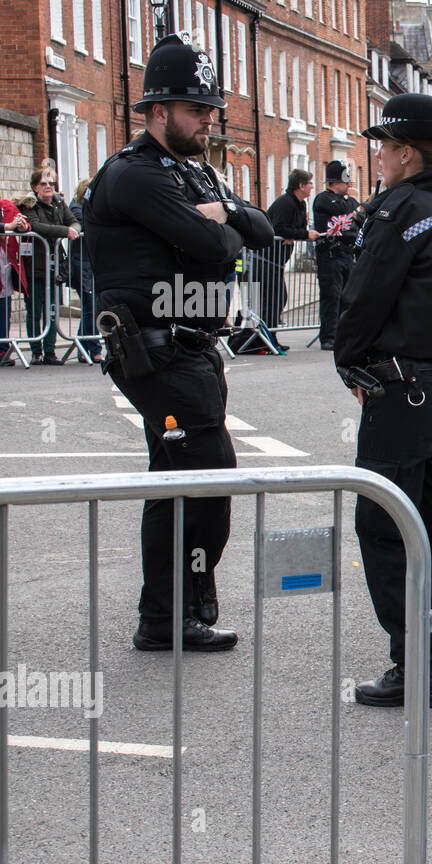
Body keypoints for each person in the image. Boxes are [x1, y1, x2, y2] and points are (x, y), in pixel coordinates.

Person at [84, 33, 273, 651]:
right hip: (155, 350)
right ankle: (181, 607)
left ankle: (169, 614)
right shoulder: (134, 175)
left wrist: (223, 214)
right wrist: (219, 220)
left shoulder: (196, 171)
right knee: (209, 483)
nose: (209, 120)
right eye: (197, 110)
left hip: (191, 348)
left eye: (211, 108)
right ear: (158, 111)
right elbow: (216, 245)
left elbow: (264, 229)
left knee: (175, 482)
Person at [334, 94, 432, 707]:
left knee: (385, 524)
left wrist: (349, 359)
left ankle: (413, 664)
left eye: (383, 146)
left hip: (407, 392)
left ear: (404, 152)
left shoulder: (399, 209)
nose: (376, 157)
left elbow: (366, 293)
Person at [18, 166, 78, 364]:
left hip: (53, 265)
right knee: (34, 310)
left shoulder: (59, 203)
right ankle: (36, 351)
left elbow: (75, 222)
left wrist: (72, 229)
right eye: (43, 183)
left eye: (51, 183)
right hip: (33, 264)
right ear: (35, 186)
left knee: (52, 310)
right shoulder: (30, 205)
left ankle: (50, 351)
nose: (48, 186)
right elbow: (36, 226)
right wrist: (65, 230)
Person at [260, 169, 320, 350]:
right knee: (273, 299)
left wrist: (296, 234)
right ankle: (268, 339)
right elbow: (278, 229)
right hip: (266, 259)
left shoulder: (300, 204)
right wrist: (302, 234)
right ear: (300, 186)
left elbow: (296, 227)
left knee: (278, 298)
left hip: (279, 260)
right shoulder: (285, 203)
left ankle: (272, 338)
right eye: (310, 183)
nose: (312, 187)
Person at [312, 160, 360, 351]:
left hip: (347, 252)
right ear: (333, 183)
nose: (348, 186)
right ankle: (329, 336)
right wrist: (353, 206)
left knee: (347, 297)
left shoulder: (348, 200)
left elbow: (360, 212)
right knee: (331, 296)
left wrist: (354, 206)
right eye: (344, 182)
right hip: (330, 253)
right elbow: (344, 210)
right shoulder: (323, 199)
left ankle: (343, 333)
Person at [69, 178, 102, 363]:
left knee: (91, 307)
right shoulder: (77, 208)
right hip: (81, 264)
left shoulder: (86, 207)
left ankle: (83, 346)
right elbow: (90, 225)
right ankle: (93, 347)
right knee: (91, 306)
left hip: (90, 264)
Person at [1, 198, 30, 366]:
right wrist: (7, 227)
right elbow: (7, 226)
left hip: (5, 264)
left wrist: (22, 226)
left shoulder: (5, 205)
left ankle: (3, 349)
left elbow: (24, 225)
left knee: (4, 307)